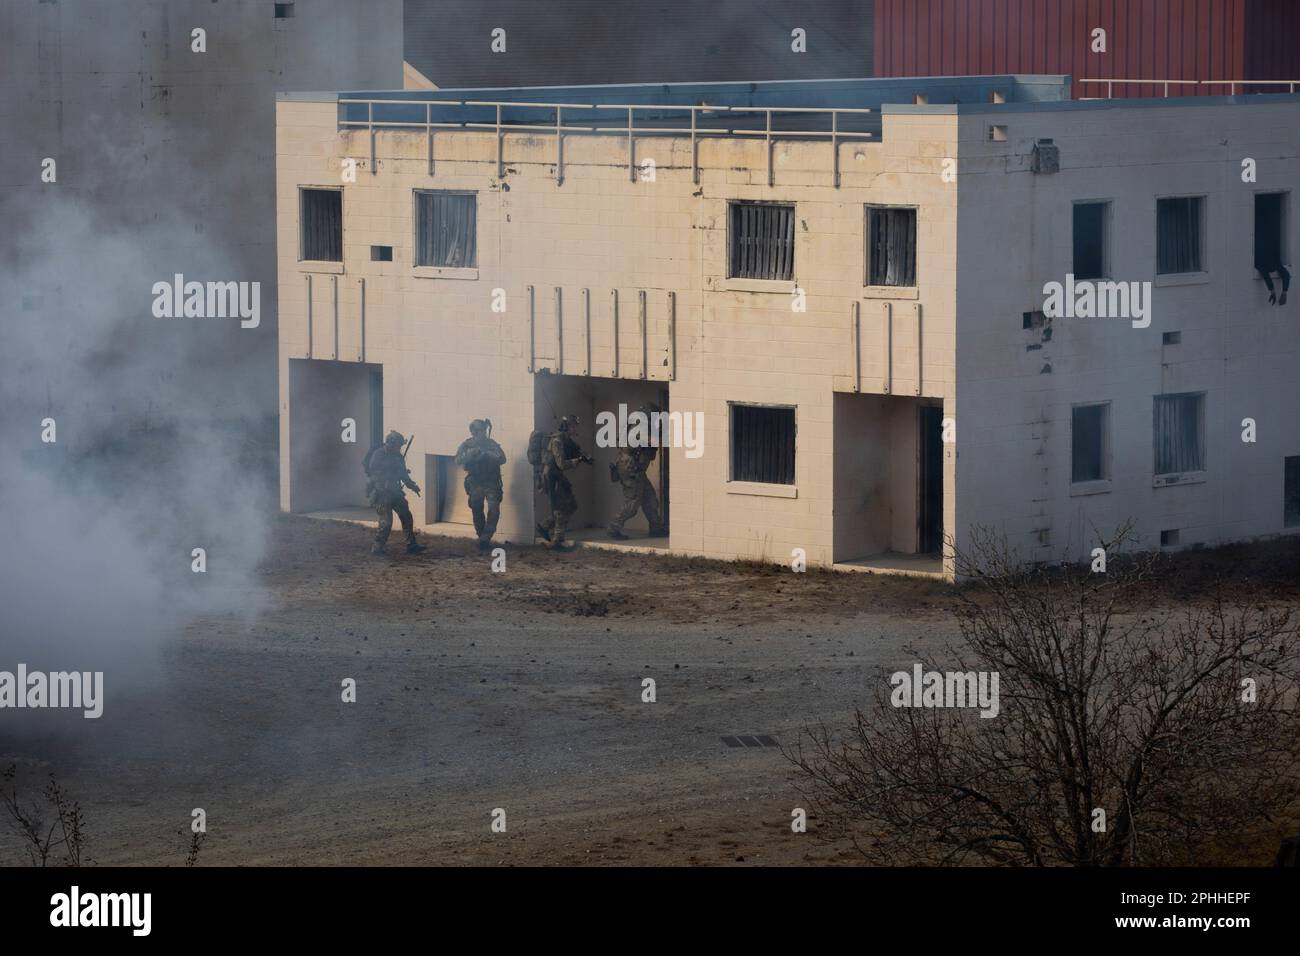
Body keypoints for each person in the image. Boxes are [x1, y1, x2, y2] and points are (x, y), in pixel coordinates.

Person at [608, 404, 667, 540]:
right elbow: (652, 441)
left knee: (650, 498)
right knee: (632, 503)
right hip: (631, 469)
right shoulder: (640, 426)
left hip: (637, 470)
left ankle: (656, 528)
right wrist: (662, 431)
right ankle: (613, 528)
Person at [363, 430, 426, 556]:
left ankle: (411, 545)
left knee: (406, 517)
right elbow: (373, 470)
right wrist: (392, 468)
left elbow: (403, 475)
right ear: (391, 444)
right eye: (398, 445)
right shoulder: (378, 454)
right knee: (386, 522)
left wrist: (412, 486)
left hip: (395, 492)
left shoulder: (398, 457)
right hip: (381, 493)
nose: (399, 448)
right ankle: (377, 548)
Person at [536, 415, 590, 550]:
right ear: (567, 427)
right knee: (561, 509)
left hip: (557, 477)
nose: (575, 428)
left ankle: (544, 526)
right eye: (573, 426)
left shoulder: (566, 440)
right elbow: (561, 464)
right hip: (551, 477)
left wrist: (584, 457)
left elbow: (574, 450)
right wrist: (576, 461)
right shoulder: (557, 441)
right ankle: (557, 542)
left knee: (571, 505)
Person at [454, 419, 507, 551]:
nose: (482, 434)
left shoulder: (491, 444)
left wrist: (487, 455)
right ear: (473, 432)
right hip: (475, 482)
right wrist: (470, 454)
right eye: (479, 431)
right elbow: (458, 460)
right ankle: (481, 537)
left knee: (494, 510)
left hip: (491, 482)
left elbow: (502, 458)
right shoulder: (467, 445)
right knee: (477, 510)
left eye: (483, 431)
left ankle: (485, 538)